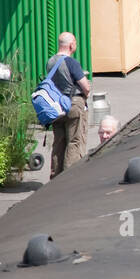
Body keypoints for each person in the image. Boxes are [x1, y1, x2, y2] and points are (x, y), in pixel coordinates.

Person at [47, 32, 92, 178]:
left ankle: (55, 177)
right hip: (73, 104)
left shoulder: (51, 62)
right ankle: (71, 177)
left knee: (59, 143)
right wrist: (86, 94)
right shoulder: (71, 62)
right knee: (74, 141)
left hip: (56, 107)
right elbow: (85, 86)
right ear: (71, 45)